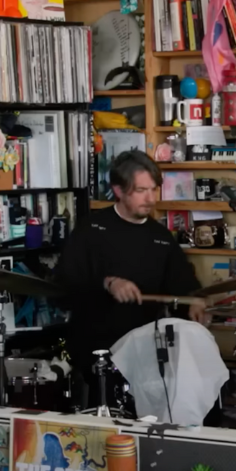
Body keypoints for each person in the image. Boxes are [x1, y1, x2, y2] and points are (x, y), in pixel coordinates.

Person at [55, 151, 206, 407]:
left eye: (154, 190)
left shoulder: (161, 237)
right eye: (141, 190)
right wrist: (108, 283)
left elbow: (183, 286)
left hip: (147, 350)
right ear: (118, 190)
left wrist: (194, 302)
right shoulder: (90, 230)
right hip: (98, 349)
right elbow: (63, 287)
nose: (150, 199)